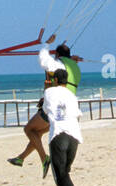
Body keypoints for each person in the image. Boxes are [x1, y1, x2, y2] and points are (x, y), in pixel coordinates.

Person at [9, 42, 80, 177]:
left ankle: (44, 158)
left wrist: (47, 43)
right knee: (38, 132)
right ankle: (21, 158)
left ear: (58, 55)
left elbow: (43, 58)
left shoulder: (57, 64)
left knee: (29, 129)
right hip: (69, 107)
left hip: (56, 106)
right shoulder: (75, 67)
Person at [42, 68, 84, 186]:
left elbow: (45, 111)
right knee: (64, 174)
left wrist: (46, 89)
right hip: (74, 137)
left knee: (60, 175)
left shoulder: (49, 92)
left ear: (55, 80)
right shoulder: (72, 96)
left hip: (58, 135)